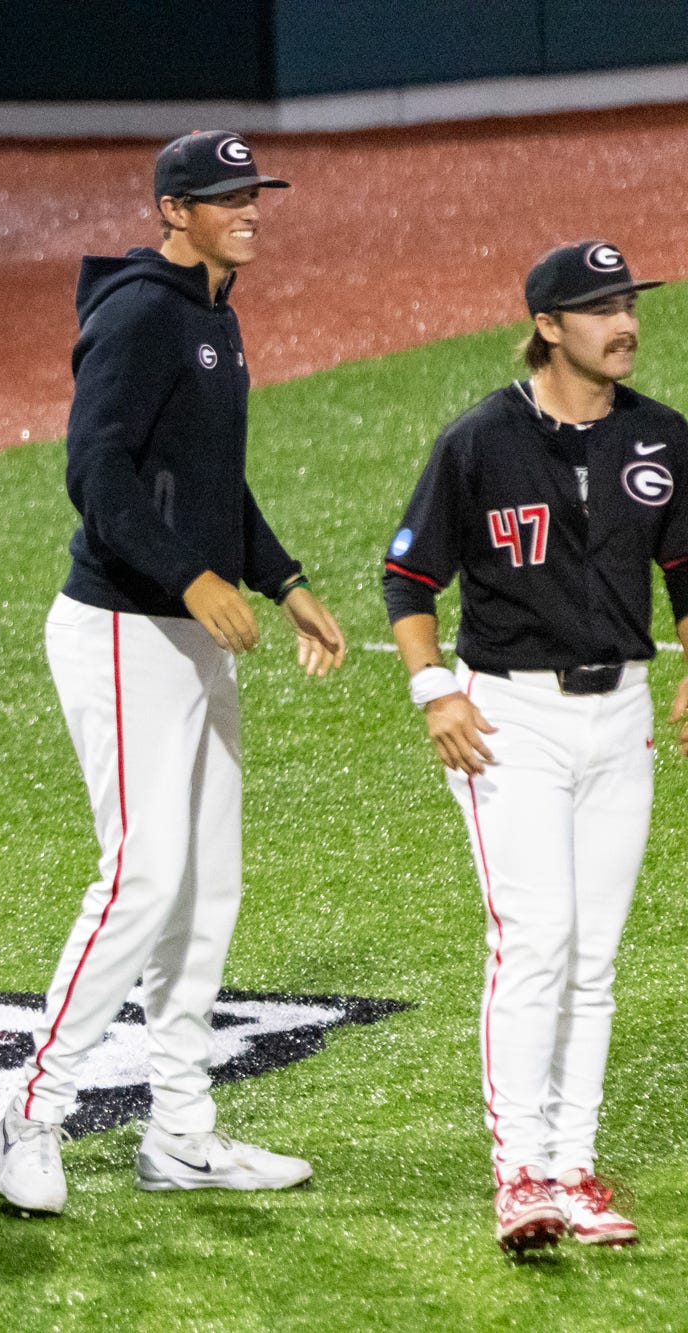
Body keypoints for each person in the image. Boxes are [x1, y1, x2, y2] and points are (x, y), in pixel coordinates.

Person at [0, 131, 346, 1216]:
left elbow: (205, 482)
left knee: (204, 887)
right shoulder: (140, 313)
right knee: (141, 875)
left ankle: (181, 1129)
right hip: (118, 628)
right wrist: (190, 577)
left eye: (251, 193)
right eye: (224, 196)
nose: (247, 208)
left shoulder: (211, 312)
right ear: (170, 210)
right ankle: (32, 1109)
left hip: (188, 629)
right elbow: (92, 470)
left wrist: (280, 581)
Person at [383, 240, 674, 1255]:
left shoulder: (661, 439)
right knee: (535, 942)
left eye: (627, 302)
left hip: (619, 716)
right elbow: (407, 581)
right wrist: (432, 693)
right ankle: (519, 1175)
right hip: (511, 720)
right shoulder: (477, 441)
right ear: (548, 325)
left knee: (590, 958)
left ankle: (573, 1167)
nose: (624, 322)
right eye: (600, 307)